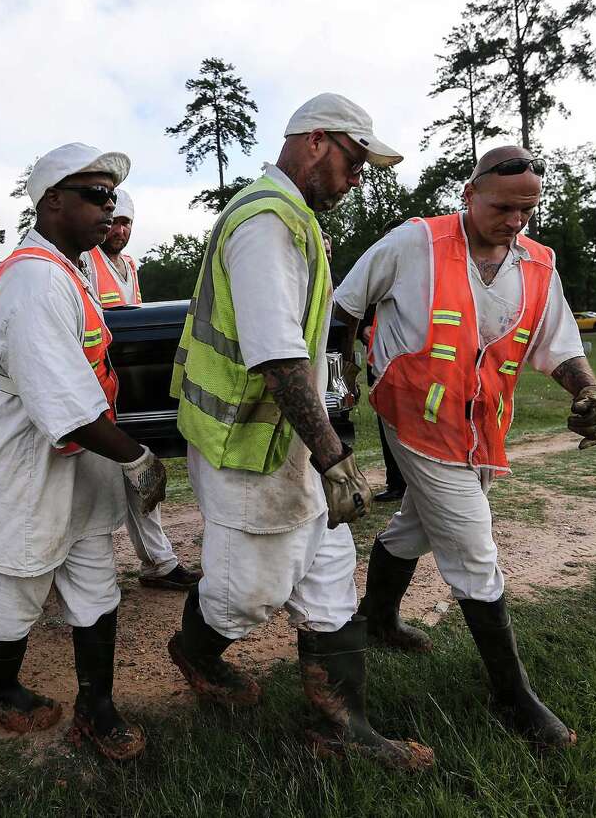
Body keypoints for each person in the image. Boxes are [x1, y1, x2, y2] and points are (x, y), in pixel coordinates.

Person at [166, 93, 433, 771]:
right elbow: (276, 354)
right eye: (352, 162)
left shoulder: (294, 219)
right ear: (315, 141)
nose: (355, 179)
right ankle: (194, 649)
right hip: (250, 444)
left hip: (288, 439)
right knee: (250, 590)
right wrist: (334, 455)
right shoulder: (265, 223)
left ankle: (344, 728)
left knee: (327, 571)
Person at [334, 145, 596, 748]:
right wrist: (342, 374)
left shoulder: (538, 264)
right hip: (412, 414)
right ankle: (511, 695)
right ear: (469, 194)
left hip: (479, 426)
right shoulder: (416, 243)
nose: (514, 221)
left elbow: (558, 344)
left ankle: (377, 619)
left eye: (526, 210)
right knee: (471, 541)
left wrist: (590, 390)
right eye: (502, 207)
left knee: (419, 524)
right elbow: (342, 305)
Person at [0, 143, 168, 761]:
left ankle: (96, 704)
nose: (109, 208)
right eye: (95, 196)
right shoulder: (36, 279)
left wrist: (117, 453)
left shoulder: (69, 269)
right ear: (52, 202)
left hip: (77, 454)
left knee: (94, 574)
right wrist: (136, 457)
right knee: (15, 581)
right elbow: (64, 401)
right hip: (26, 456)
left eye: (111, 197)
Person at [84, 188, 201, 591]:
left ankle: (158, 561)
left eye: (126, 223)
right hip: (93, 391)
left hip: (124, 389)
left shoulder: (130, 267)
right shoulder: (85, 261)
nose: (119, 229)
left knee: (138, 472)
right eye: (115, 221)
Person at [359, 220, 407, 503]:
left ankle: (414, 486)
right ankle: (395, 484)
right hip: (378, 367)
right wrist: (363, 328)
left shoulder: (420, 273)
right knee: (385, 426)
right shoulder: (373, 269)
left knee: (411, 429)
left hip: (409, 367)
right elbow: (356, 307)